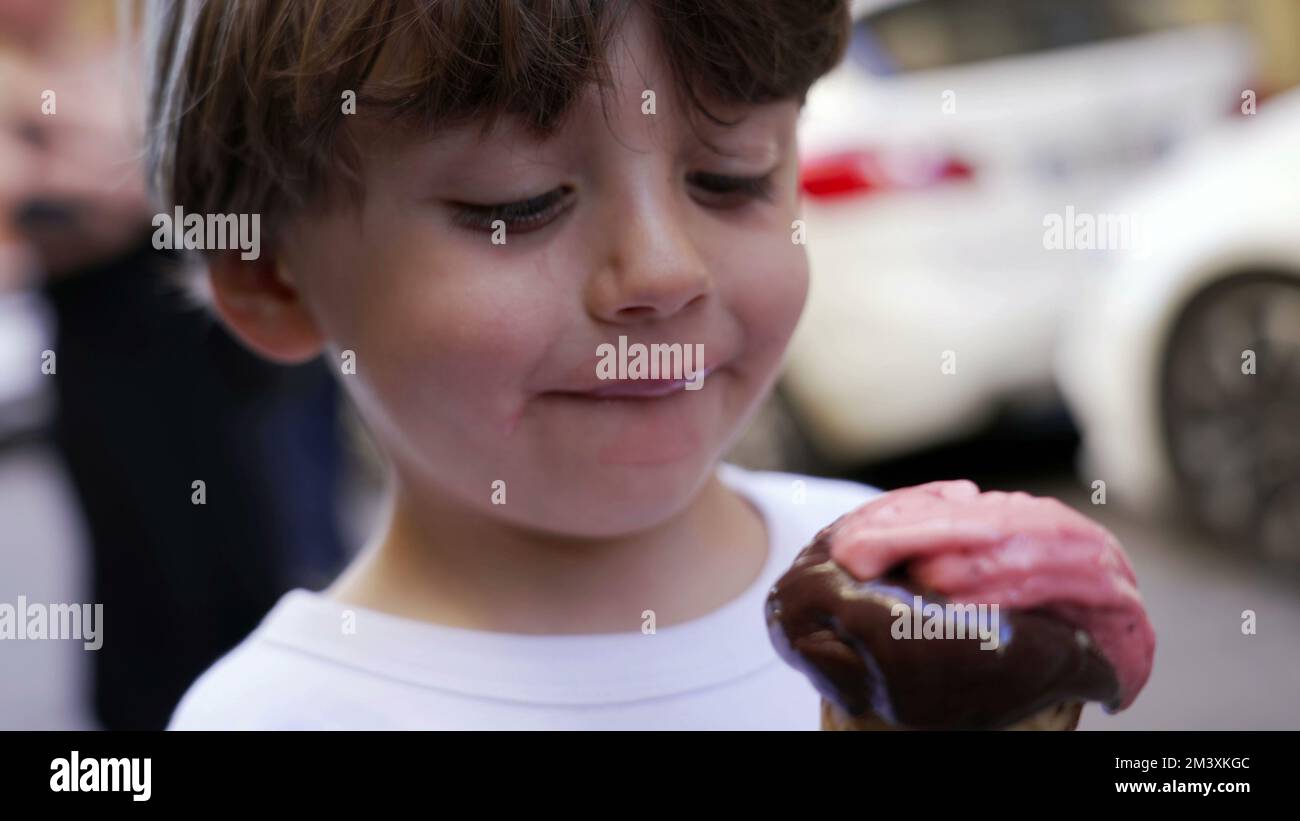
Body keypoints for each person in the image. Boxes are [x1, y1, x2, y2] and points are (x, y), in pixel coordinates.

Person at [156, 0, 870, 729]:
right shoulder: (273, 718)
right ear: (272, 277)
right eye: (518, 204)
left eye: (733, 176)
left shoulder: (895, 579)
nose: (664, 272)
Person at [0, 0, 347, 729]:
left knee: (234, 534)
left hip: (193, 355)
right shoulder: (34, 78)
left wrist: (96, 163)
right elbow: (63, 197)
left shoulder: (117, 48)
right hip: (104, 350)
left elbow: (165, 173)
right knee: (144, 561)